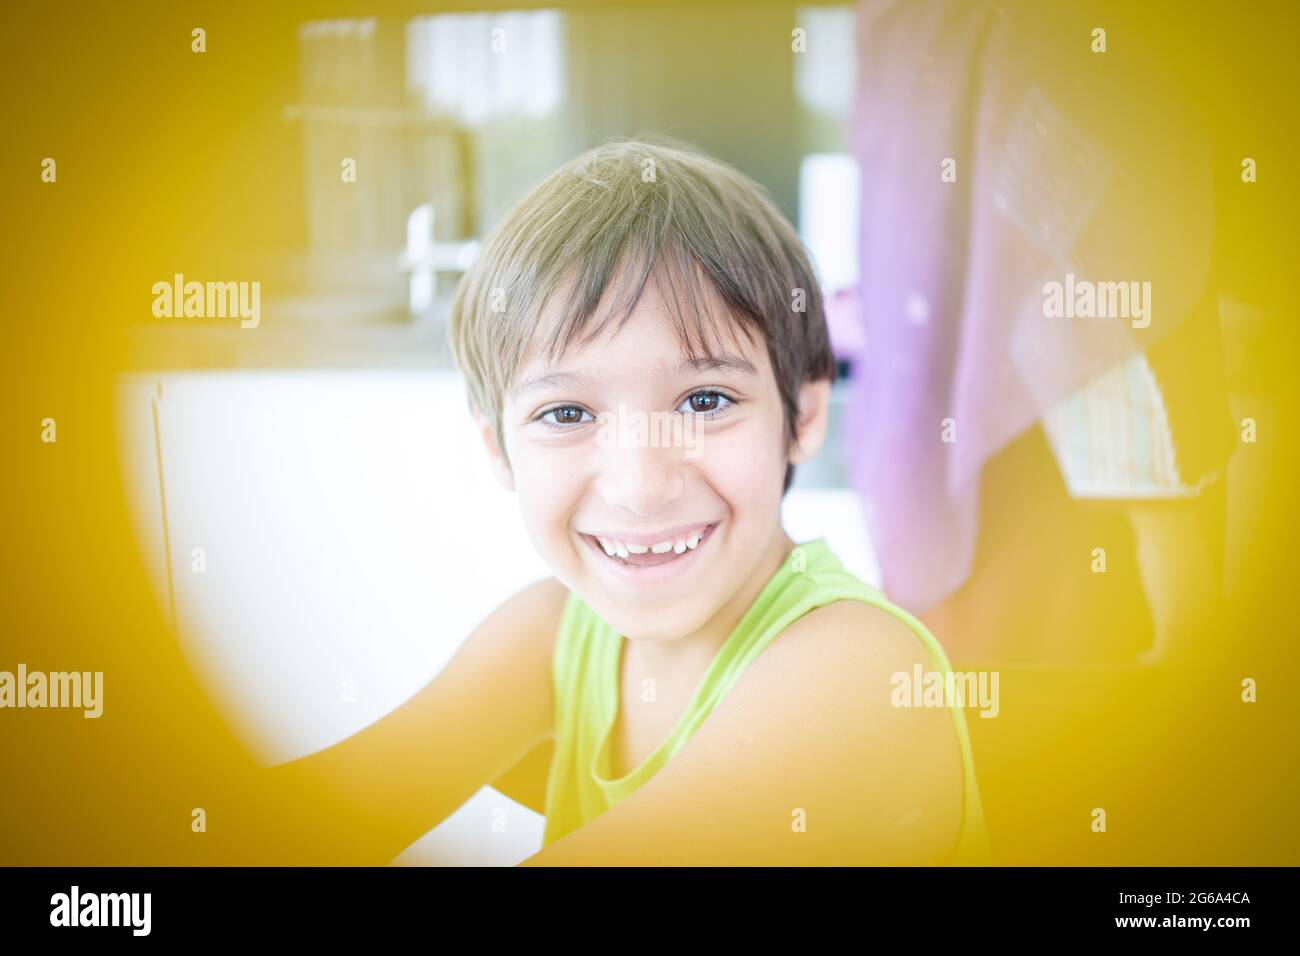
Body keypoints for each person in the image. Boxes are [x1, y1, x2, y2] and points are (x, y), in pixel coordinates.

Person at [260, 139, 991, 866]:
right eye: (567, 414)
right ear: (497, 449)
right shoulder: (553, 635)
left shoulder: (855, 671)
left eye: (705, 400)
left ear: (802, 416)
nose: (640, 487)